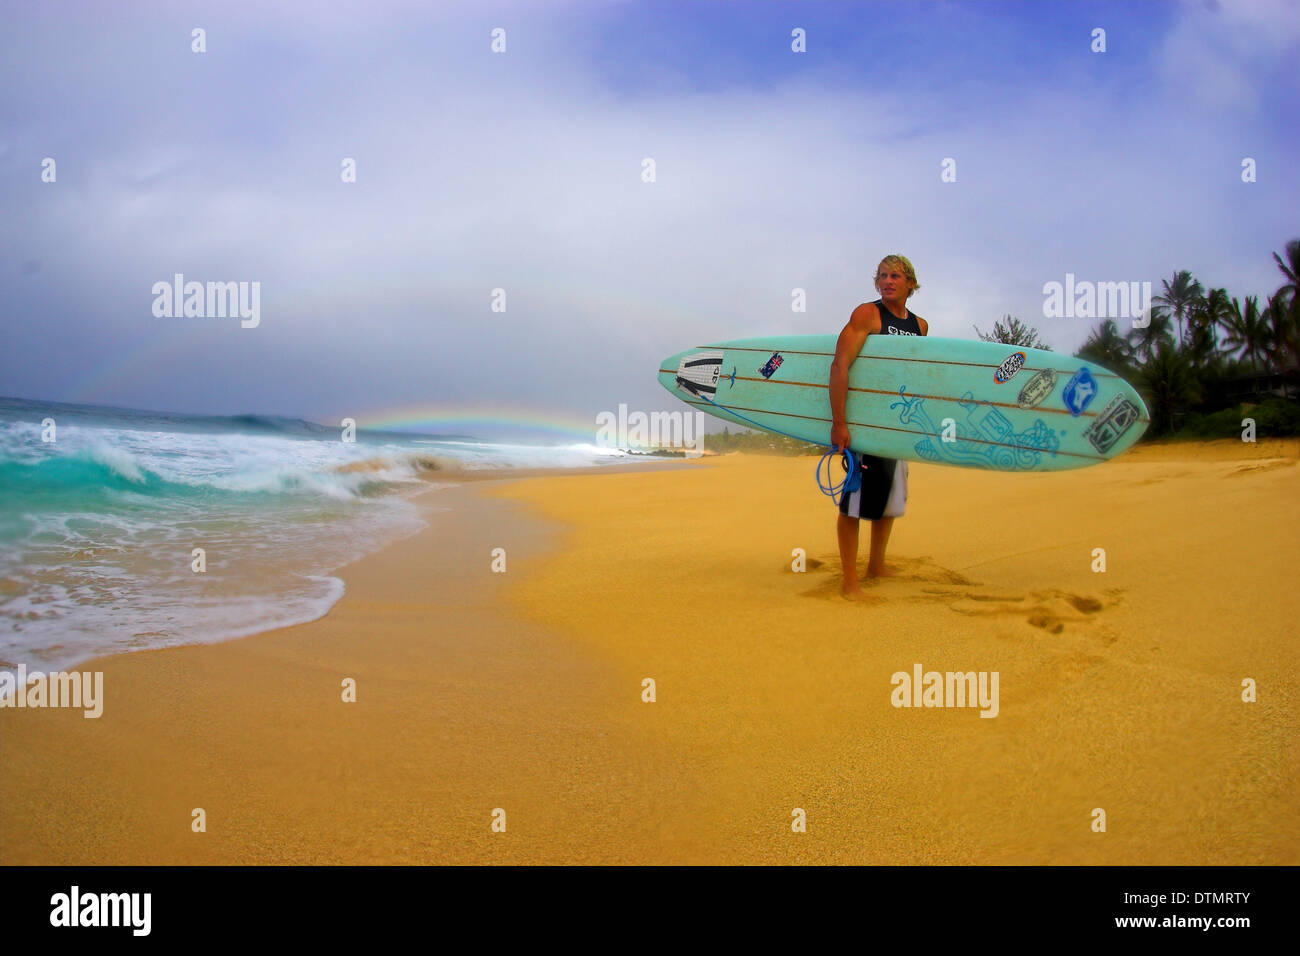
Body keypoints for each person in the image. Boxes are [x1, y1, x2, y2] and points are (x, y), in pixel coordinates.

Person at [828, 254, 929, 597]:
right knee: (855, 503)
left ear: (910, 284)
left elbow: (914, 377)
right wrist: (839, 422)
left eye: (896, 276)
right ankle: (849, 580)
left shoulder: (921, 326)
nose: (888, 281)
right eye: (883, 276)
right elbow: (840, 365)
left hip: (897, 425)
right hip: (867, 424)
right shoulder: (867, 315)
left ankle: (876, 565)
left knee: (892, 500)